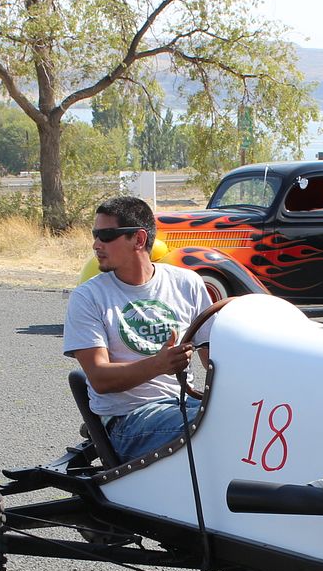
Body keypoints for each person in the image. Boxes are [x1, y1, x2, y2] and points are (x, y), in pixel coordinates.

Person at [63, 195, 212, 461]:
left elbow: (213, 357)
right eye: (95, 234)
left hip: (184, 405)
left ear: (139, 239)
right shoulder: (88, 297)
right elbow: (99, 377)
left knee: (248, 417)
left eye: (106, 235)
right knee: (216, 427)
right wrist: (159, 364)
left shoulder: (186, 283)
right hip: (128, 420)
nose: (96, 244)